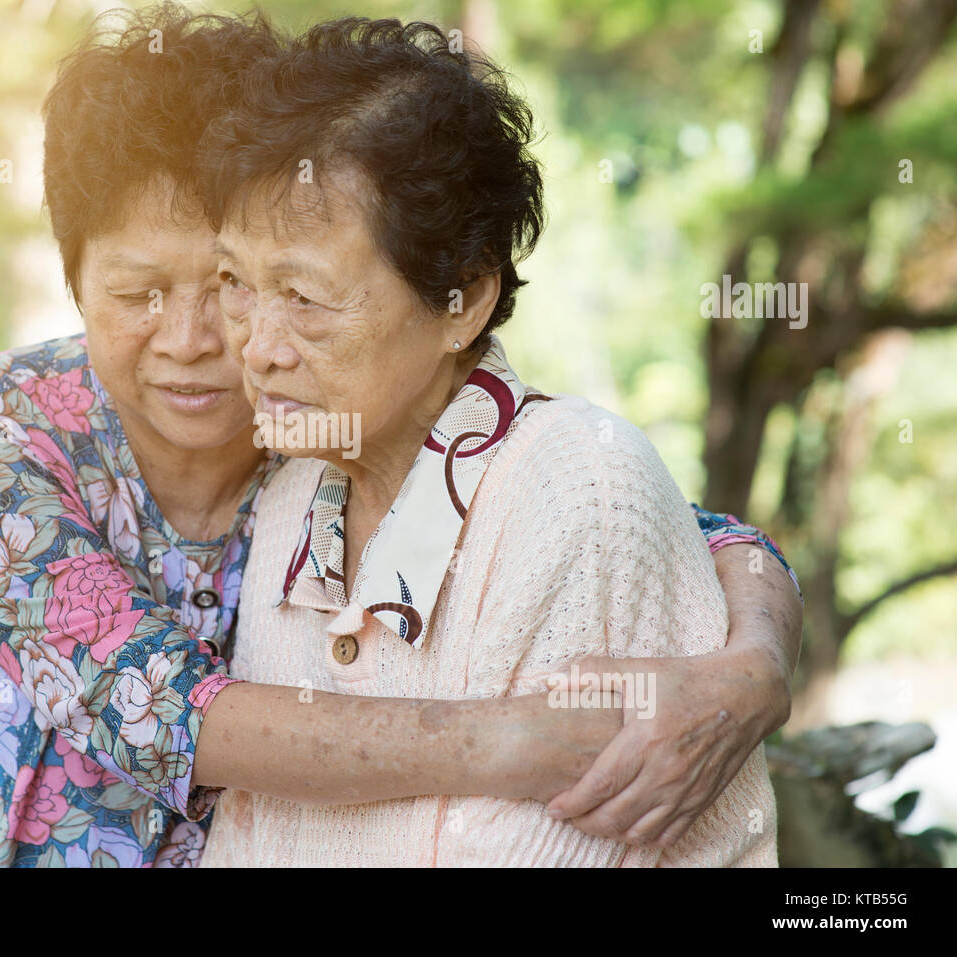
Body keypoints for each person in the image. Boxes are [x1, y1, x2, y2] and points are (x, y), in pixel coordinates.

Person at [0, 5, 801, 868]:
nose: (198, 341)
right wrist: (514, 737)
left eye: (225, 282)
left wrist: (752, 669)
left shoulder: (315, 425)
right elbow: (164, 711)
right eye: (138, 292)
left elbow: (675, 526)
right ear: (74, 282)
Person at [196, 16, 779, 866]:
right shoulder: (294, 497)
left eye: (306, 297)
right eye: (236, 283)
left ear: (463, 296)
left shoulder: (576, 487)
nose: (257, 344)